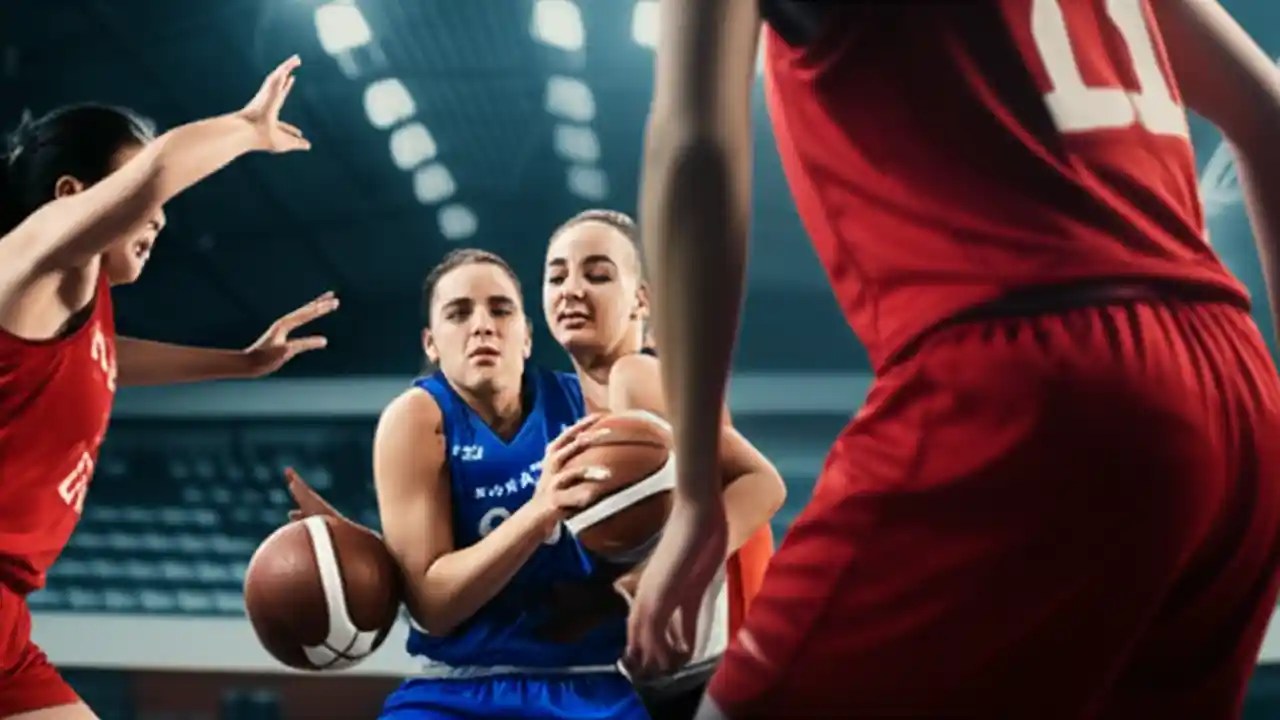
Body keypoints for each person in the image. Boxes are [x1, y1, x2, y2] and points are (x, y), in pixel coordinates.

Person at [628, 1, 1280, 718]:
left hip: (1037, 383)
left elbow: (695, 148)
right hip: (1240, 390)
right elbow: (1268, 109)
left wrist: (695, 489)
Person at [0, 56, 333, 720]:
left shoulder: (76, 304)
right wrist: (245, 127)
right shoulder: (26, 255)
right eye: (140, 197)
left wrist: (239, 363)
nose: (158, 216)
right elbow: (161, 168)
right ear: (74, 196)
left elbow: (104, 359)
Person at [288, 248, 649, 720]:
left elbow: (669, 531)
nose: (482, 325)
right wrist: (540, 512)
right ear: (431, 343)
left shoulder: (591, 406)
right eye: (458, 313)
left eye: (501, 309)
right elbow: (434, 607)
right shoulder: (416, 418)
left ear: (526, 336)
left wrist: (636, 576)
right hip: (456, 690)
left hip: (589, 681)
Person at [540, 209, 784, 718]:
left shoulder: (639, 375)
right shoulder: (571, 412)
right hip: (662, 676)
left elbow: (762, 484)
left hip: (712, 668)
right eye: (557, 275)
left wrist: (660, 575)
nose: (572, 289)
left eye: (598, 274)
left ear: (642, 299)